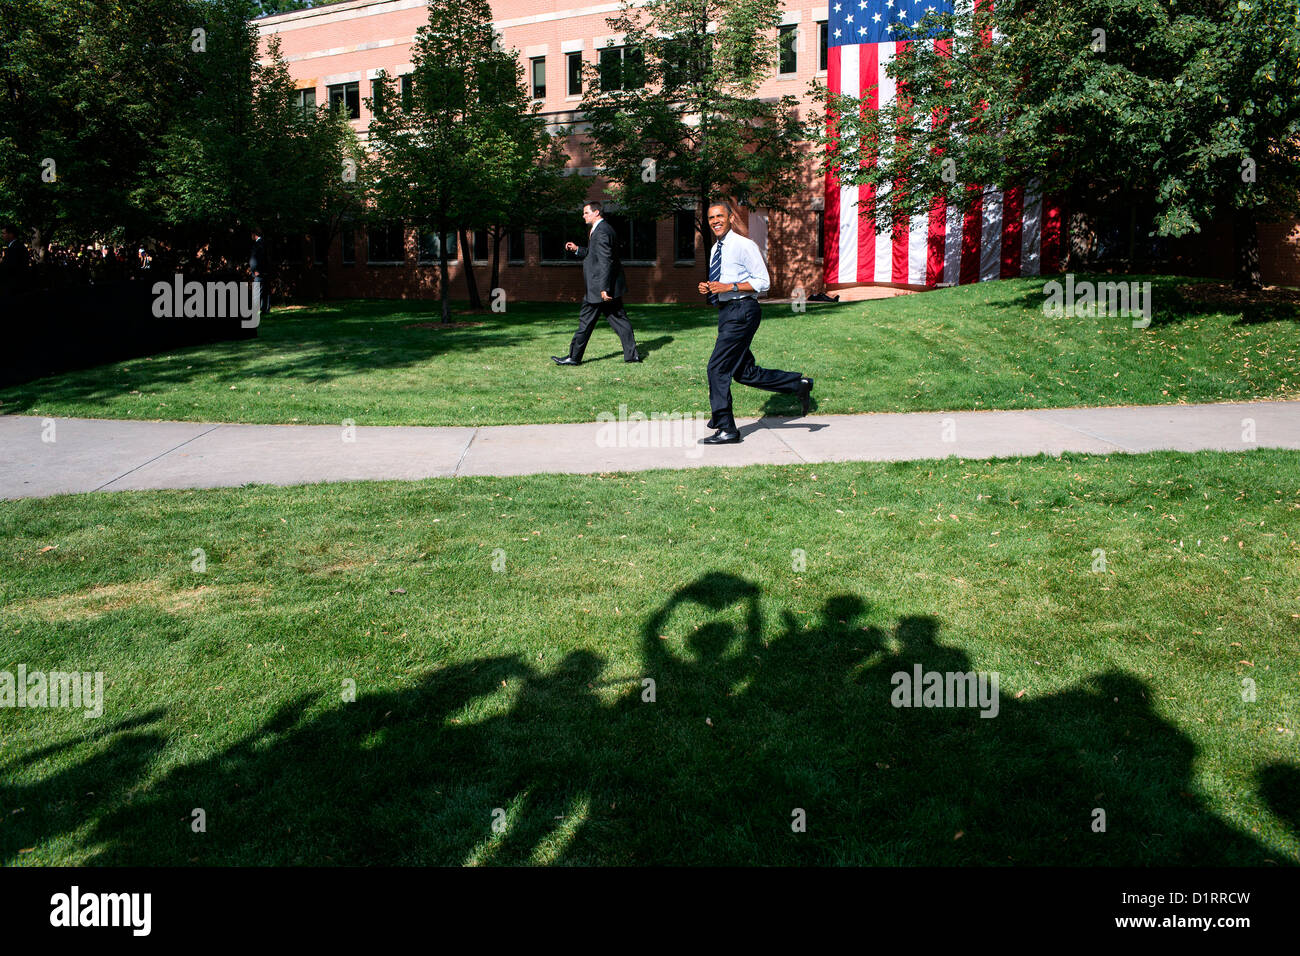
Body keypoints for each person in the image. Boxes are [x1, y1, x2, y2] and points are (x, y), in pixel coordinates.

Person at [696, 203, 813, 445]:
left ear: (731, 218)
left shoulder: (744, 245)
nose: (715, 220)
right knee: (743, 372)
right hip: (727, 311)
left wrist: (730, 287)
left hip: (743, 311)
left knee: (717, 369)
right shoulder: (716, 248)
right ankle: (797, 384)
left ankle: (726, 428)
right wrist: (709, 287)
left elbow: (763, 282)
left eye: (719, 216)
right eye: (711, 217)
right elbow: (725, 279)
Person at [551, 201, 642, 365]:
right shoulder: (602, 229)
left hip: (599, 289)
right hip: (606, 287)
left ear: (596, 212)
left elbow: (605, 261)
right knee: (620, 321)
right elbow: (596, 255)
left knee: (585, 323)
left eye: (586, 213)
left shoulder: (601, 232)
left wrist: (603, 288)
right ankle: (632, 356)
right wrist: (578, 249)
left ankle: (574, 357)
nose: (583, 216)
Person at [1, 223, 31, 296]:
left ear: (11, 234)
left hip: (14, 287)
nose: (2, 236)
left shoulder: (15, 248)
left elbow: (10, 267)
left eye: (3, 233)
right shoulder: (17, 246)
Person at [249, 226, 270, 317]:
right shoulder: (265, 243)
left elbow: (256, 259)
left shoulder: (258, 244)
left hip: (260, 271)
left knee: (257, 291)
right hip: (265, 271)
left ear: (254, 234)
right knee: (265, 291)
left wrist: (255, 270)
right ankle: (265, 309)